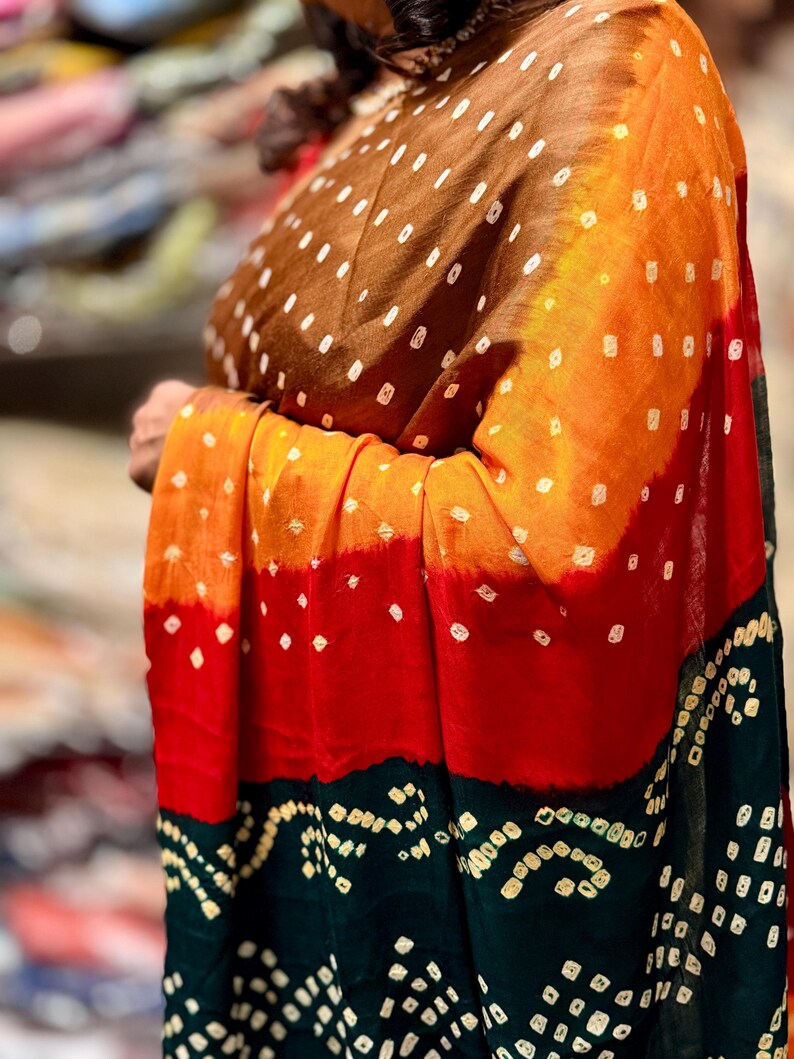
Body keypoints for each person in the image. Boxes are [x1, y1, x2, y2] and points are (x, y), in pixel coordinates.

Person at [130, 0, 791, 1055]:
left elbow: (549, 554)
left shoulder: (613, 76)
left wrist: (216, 459)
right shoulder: (392, 70)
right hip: (322, 847)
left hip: (496, 918)